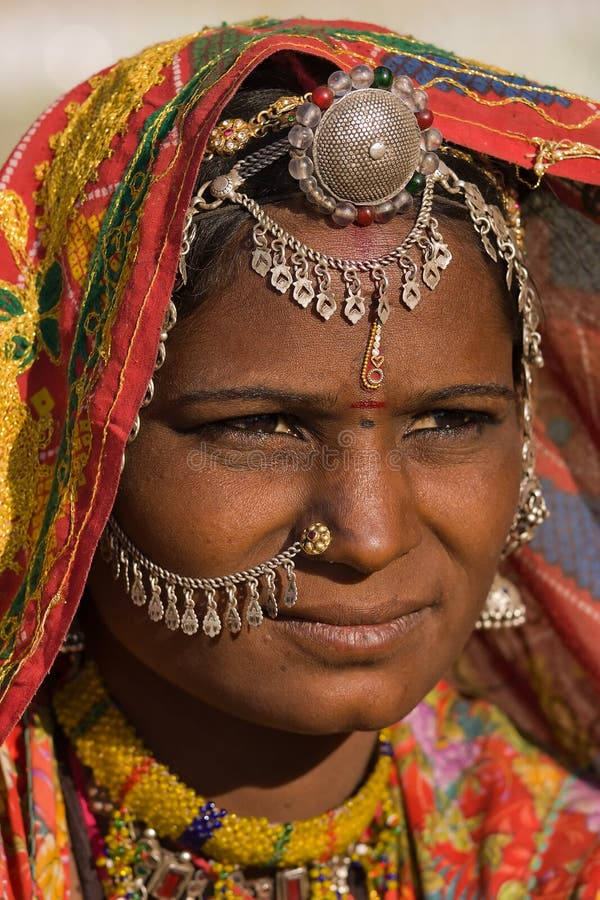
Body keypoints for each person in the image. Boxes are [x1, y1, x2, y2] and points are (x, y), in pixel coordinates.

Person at [0, 16, 599, 899]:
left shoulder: (560, 860)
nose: (369, 536)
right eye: (263, 428)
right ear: (74, 454)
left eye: (449, 422)